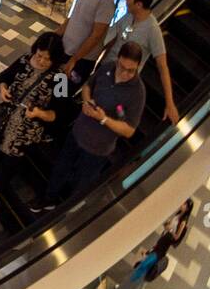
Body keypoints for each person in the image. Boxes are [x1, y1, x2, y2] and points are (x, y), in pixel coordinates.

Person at [33, 41, 146, 213]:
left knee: (81, 183)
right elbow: (87, 87)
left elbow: (129, 130)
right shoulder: (107, 68)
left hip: (98, 149)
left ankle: (66, 213)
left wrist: (103, 119)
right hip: (77, 133)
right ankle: (48, 199)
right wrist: (87, 101)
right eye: (121, 66)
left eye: (130, 70)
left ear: (138, 66)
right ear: (117, 60)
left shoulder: (137, 92)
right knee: (60, 167)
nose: (124, 73)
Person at [0, 32, 65, 212]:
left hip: (27, 130)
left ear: (55, 59)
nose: (40, 61)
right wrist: (3, 89)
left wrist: (40, 113)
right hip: (7, 119)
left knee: (10, 161)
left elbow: (61, 112)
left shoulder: (60, 78)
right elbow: (5, 79)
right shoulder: (25, 60)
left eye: (46, 59)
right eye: (39, 56)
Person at [105, 0, 178, 123]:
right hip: (104, 72)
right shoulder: (128, 16)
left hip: (120, 83)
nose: (126, 0)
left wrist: (169, 103)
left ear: (138, 4)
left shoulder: (152, 29)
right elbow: (111, 40)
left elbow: (163, 67)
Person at [109, 200, 193, 289]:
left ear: (188, 208)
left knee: (138, 278)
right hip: (156, 250)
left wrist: (169, 229)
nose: (181, 204)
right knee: (136, 273)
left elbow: (175, 238)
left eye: (184, 204)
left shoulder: (182, 222)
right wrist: (150, 250)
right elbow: (162, 239)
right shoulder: (178, 215)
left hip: (157, 254)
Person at [60, 0, 115, 84]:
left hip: (80, 60)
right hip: (67, 51)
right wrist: (54, 36)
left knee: (62, 94)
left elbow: (96, 35)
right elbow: (73, 17)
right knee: (54, 88)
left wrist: (74, 59)